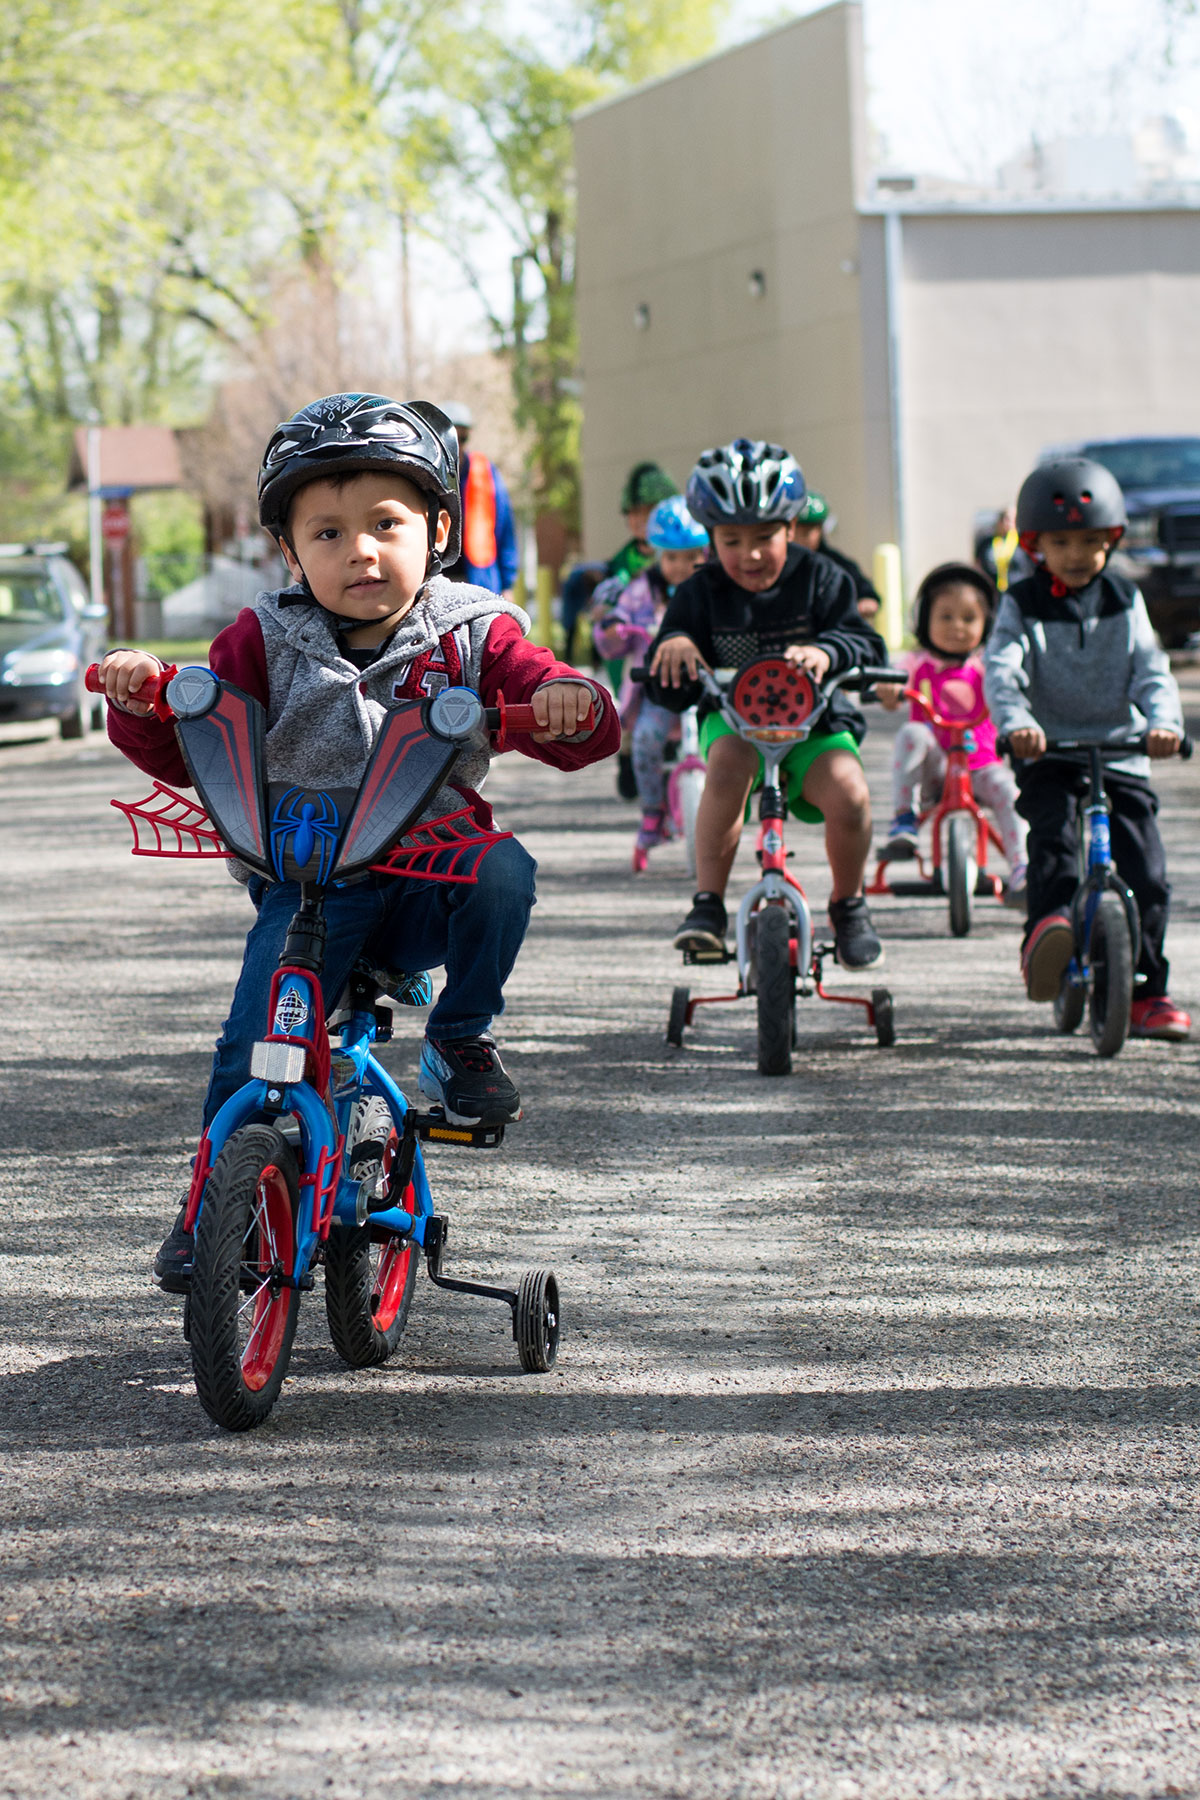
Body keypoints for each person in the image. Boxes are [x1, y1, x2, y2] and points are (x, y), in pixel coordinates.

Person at [94, 393, 619, 1289]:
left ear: (438, 529)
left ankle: (460, 1039)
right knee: (251, 1039)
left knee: (506, 871)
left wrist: (569, 699)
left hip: (428, 873)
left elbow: (566, 717)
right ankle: (202, 1210)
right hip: (309, 886)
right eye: (327, 534)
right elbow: (196, 750)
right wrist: (145, 697)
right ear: (291, 552)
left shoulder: (472, 632)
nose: (360, 550)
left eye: (385, 523)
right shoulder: (265, 636)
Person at [643, 439, 887, 969]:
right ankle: (707, 907)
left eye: (765, 537)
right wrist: (676, 647)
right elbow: (666, 686)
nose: (750, 554)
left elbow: (867, 645)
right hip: (735, 723)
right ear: (710, 538)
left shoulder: (823, 578)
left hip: (815, 727)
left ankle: (849, 906)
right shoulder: (698, 593)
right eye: (731, 539)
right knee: (727, 766)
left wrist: (828, 650)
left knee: (851, 793)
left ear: (792, 529)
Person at [984, 455, 1190, 1039]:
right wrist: (1018, 724)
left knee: (1146, 871)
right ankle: (1048, 933)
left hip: (1120, 749)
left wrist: (1163, 724)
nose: (1077, 555)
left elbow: (1152, 670)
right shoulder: (1022, 602)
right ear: (1034, 544)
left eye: (1091, 541)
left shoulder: (1125, 599)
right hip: (1047, 750)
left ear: (1112, 540)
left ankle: (1149, 991)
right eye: (1062, 541)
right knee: (1053, 843)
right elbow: (1001, 671)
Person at [874, 562, 1026, 896]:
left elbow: (1012, 686)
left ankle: (1022, 867)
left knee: (1010, 792)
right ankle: (904, 817)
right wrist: (888, 689)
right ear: (924, 618)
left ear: (987, 623)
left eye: (969, 618)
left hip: (982, 765)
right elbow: (890, 686)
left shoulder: (988, 665)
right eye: (945, 617)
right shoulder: (916, 664)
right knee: (912, 733)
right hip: (936, 768)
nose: (957, 627)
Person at [592, 495, 709, 864]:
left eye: (692, 557)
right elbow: (619, 620)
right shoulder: (643, 590)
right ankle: (653, 809)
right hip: (660, 689)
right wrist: (613, 628)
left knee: (732, 744)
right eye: (672, 557)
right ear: (658, 555)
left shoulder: (712, 590)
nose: (682, 566)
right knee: (644, 739)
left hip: (708, 690)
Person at [559, 460, 679, 660]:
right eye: (634, 512)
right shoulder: (619, 564)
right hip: (633, 664)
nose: (641, 519)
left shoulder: (687, 557)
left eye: (649, 510)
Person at [438, 402, 520, 596]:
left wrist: (508, 584)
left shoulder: (485, 472)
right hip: (435, 579)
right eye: (451, 437)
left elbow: (505, 527)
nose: (457, 444)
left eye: (463, 437)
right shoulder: (425, 471)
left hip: (479, 579)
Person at [790, 490, 882, 624]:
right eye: (797, 529)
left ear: (821, 529)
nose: (802, 536)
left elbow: (867, 595)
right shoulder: (776, 565)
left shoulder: (835, 564)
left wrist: (863, 602)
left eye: (809, 530)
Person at [975, 504, 1033, 594]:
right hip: (994, 591)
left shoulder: (1022, 542)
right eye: (1005, 518)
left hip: (1018, 591)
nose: (1008, 522)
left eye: (1012, 519)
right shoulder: (988, 543)